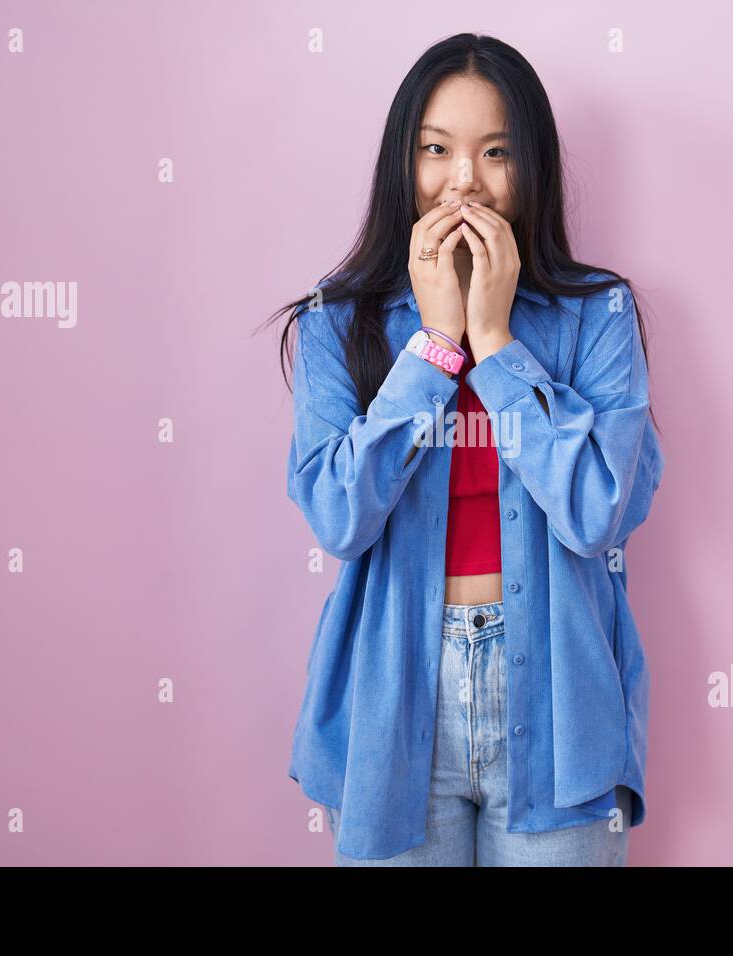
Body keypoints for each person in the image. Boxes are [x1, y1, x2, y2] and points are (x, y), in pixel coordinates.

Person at [266, 32, 665, 866]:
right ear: (401, 163)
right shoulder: (338, 321)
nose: (465, 180)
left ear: (533, 167)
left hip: (559, 697)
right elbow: (339, 516)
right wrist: (438, 343)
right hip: (394, 699)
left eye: (496, 152)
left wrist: (494, 339)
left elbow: (598, 513)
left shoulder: (599, 314)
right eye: (437, 150)